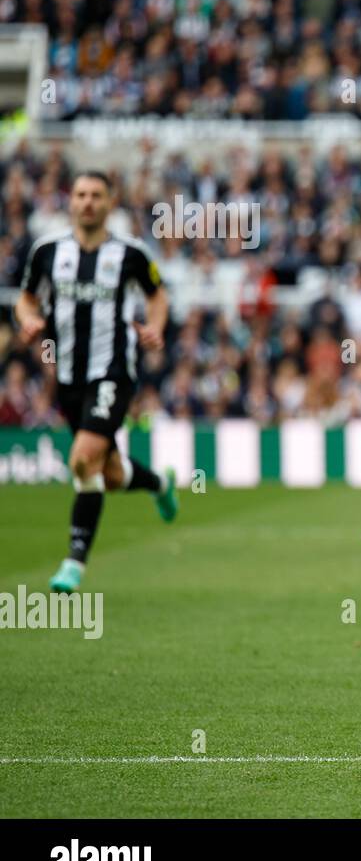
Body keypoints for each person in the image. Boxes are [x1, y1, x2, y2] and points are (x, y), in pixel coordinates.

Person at [14, 171, 178, 593]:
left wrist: (156, 327)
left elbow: (157, 295)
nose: (88, 202)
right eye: (81, 195)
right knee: (106, 471)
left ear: (110, 202)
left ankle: (74, 563)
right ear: (71, 201)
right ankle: (159, 484)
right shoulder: (48, 250)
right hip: (68, 376)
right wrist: (29, 319)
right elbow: (27, 296)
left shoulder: (131, 253)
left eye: (96, 196)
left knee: (82, 459)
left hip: (112, 371)